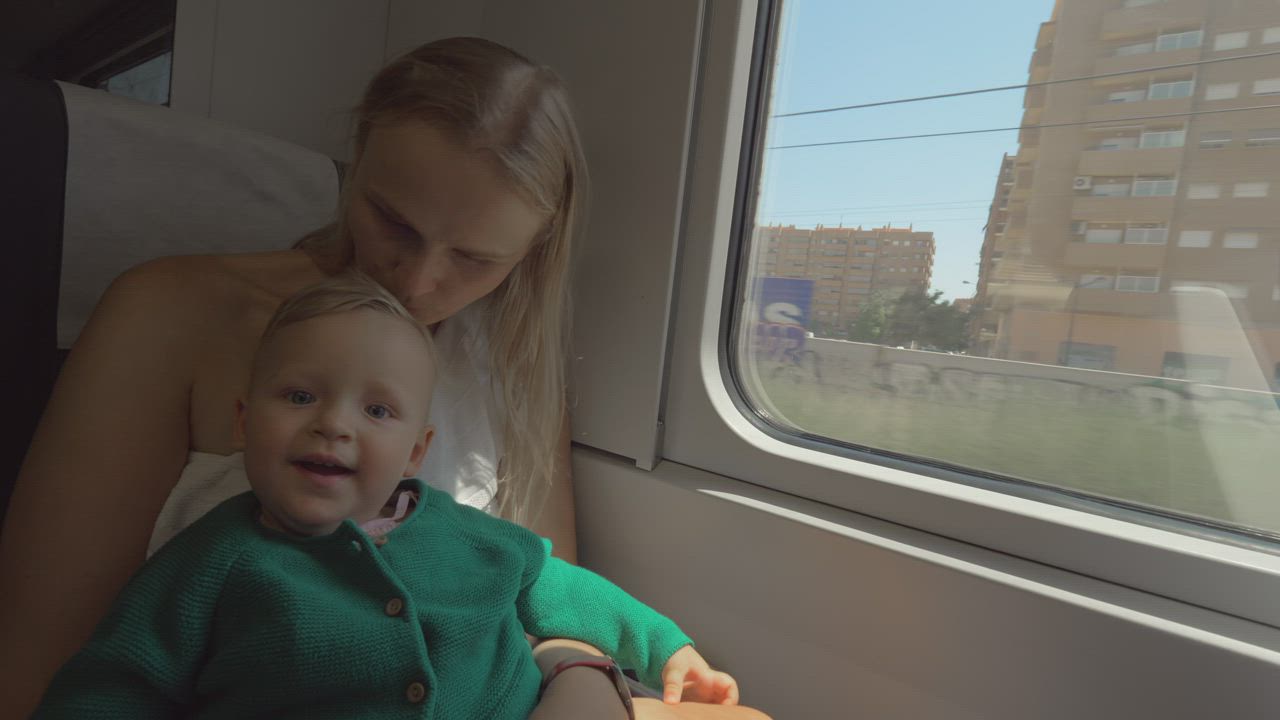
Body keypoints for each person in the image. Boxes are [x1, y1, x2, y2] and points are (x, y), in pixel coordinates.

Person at [0, 36, 769, 720]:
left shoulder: (513, 362)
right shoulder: (172, 311)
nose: (418, 282)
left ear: (531, 250)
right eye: (393, 222)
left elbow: (542, 593)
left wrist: (583, 675)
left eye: (475, 259)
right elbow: (39, 671)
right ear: (357, 157)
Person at [32, 274, 738, 719]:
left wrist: (667, 649)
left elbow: (556, 585)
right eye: (300, 395)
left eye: (376, 411)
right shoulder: (212, 562)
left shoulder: (467, 536)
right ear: (244, 423)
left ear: (416, 453)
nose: (333, 424)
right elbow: (112, 684)